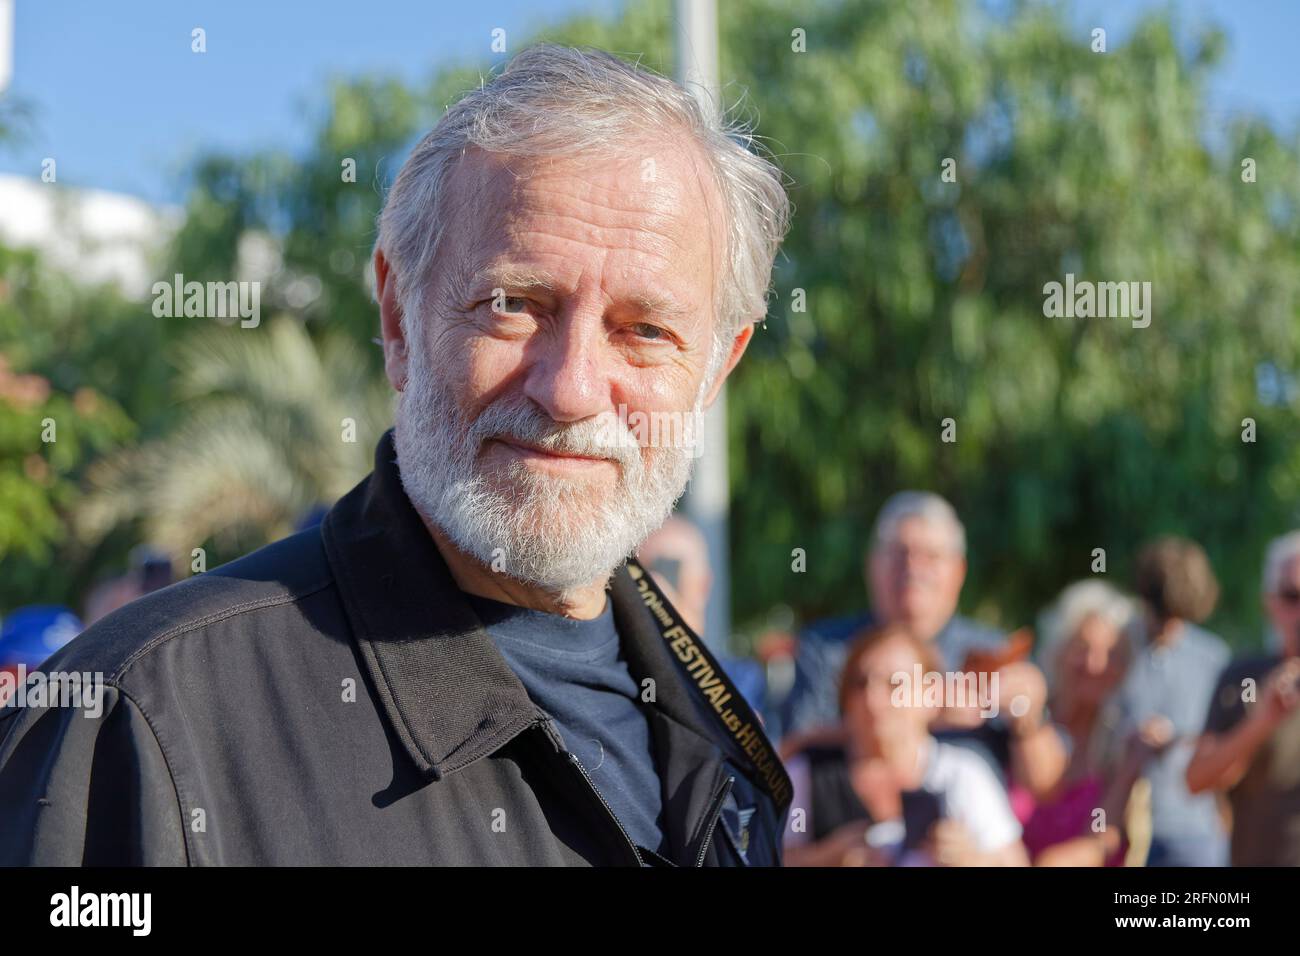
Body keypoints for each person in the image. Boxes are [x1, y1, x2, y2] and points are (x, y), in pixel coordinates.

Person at [0, 44, 793, 866]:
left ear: (716, 367)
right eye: (514, 304)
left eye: (645, 330)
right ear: (398, 319)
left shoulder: (727, 761)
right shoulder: (138, 723)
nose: (571, 390)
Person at [777, 491, 1062, 809]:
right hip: (851, 831)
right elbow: (793, 747)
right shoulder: (828, 648)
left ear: (959, 570)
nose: (913, 568)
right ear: (873, 565)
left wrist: (1030, 716)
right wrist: (921, 714)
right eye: (900, 553)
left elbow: (1045, 787)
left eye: (931, 556)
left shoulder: (993, 651)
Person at [783, 625, 1028, 866]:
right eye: (860, 683)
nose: (873, 698)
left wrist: (969, 860)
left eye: (895, 684)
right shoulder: (806, 777)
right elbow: (777, 854)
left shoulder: (961, 775)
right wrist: (826, 857)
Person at [1023, 581, 1173, 866]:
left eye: (1112, 655)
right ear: (1059, 649)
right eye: (1083, 648)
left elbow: (1105, 837)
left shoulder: (1122, 739)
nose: (1095, 664)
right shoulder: (1025, 717)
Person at [1108, 536, 1229, 866]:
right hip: (1118, 823)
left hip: (1192, 831)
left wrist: (1175, 738)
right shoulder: (1113, 648)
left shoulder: (1213, 658)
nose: (1168, 627)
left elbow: (1221, 747)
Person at [1186, 531, 1300, 865]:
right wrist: (1263, 721)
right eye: (1293, 595)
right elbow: (1197, 779)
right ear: (1271, 603)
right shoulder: (1244, 678)